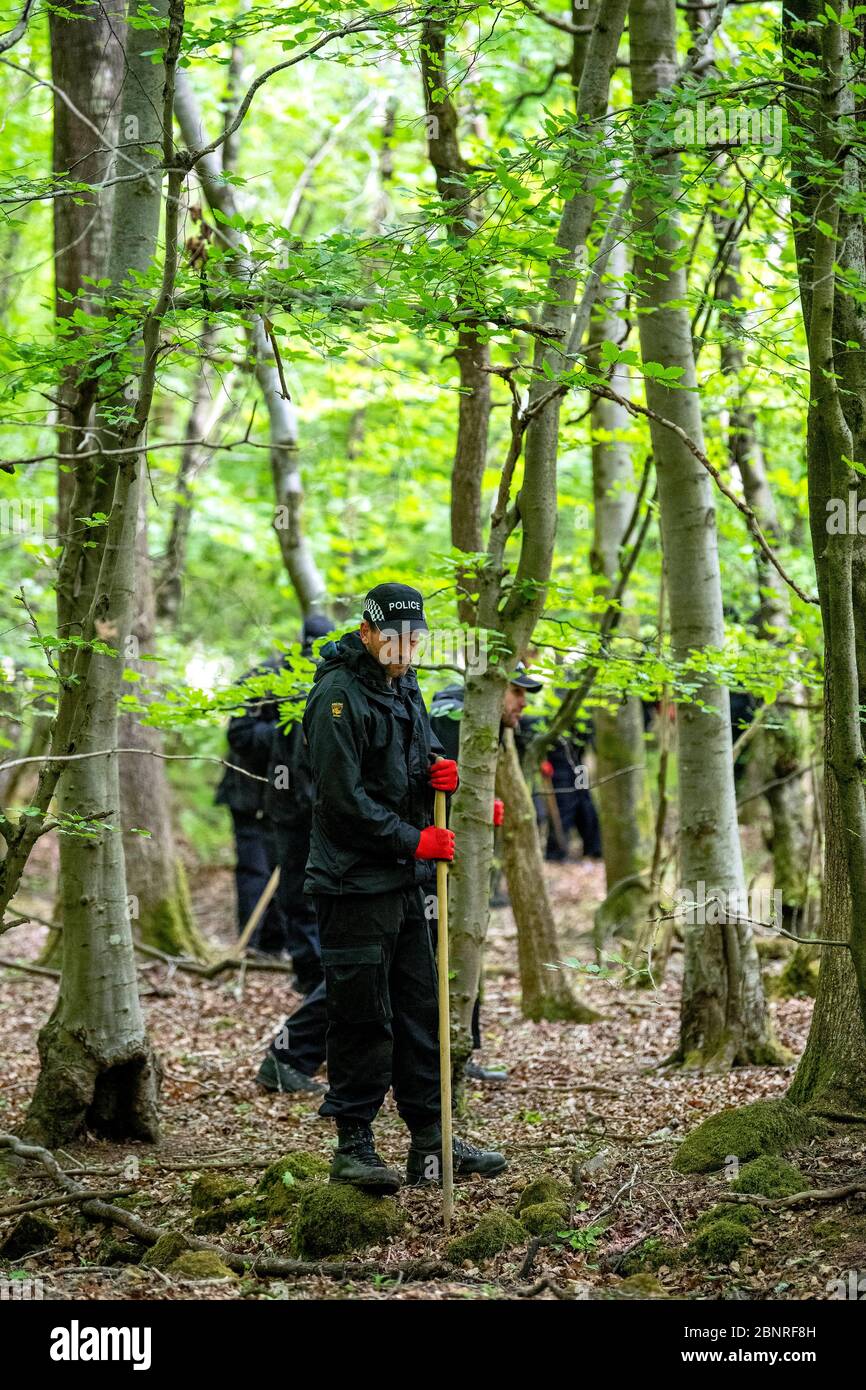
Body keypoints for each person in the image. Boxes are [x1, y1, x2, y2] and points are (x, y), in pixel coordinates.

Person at [295, 582, 506, 1193]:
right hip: (351, 884)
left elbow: (411, 762)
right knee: (363, 1016)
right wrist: (410, 839)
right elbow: (340, 801)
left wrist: (440, 772)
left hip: (403, 882)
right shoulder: (336, 697)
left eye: (413, 637)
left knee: (421, 1011)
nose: (404, 648)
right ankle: (353, 1145)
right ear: (367, 633)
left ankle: (433, 1145)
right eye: (393, 637)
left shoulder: (405, 684)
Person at [429, 664, 544, 1082]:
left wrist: (475, 809)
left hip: (458, 851)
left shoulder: (484, 724)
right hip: (426, 858)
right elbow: (427, 785)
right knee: (419, 952)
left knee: (466, 938)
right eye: (517, 692)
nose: (524, 703)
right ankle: (299, 1048)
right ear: (494, 689)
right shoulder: (450, 716)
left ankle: (462, 1050)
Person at [215, 654, 287, 955]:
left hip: (284, 799)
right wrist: (287, 729)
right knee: (255, 870)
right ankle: (251, 945)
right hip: (249, 796)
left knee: (283, 867)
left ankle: (274, 944)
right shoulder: (262, 679)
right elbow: (240, 735)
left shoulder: (314, 679)